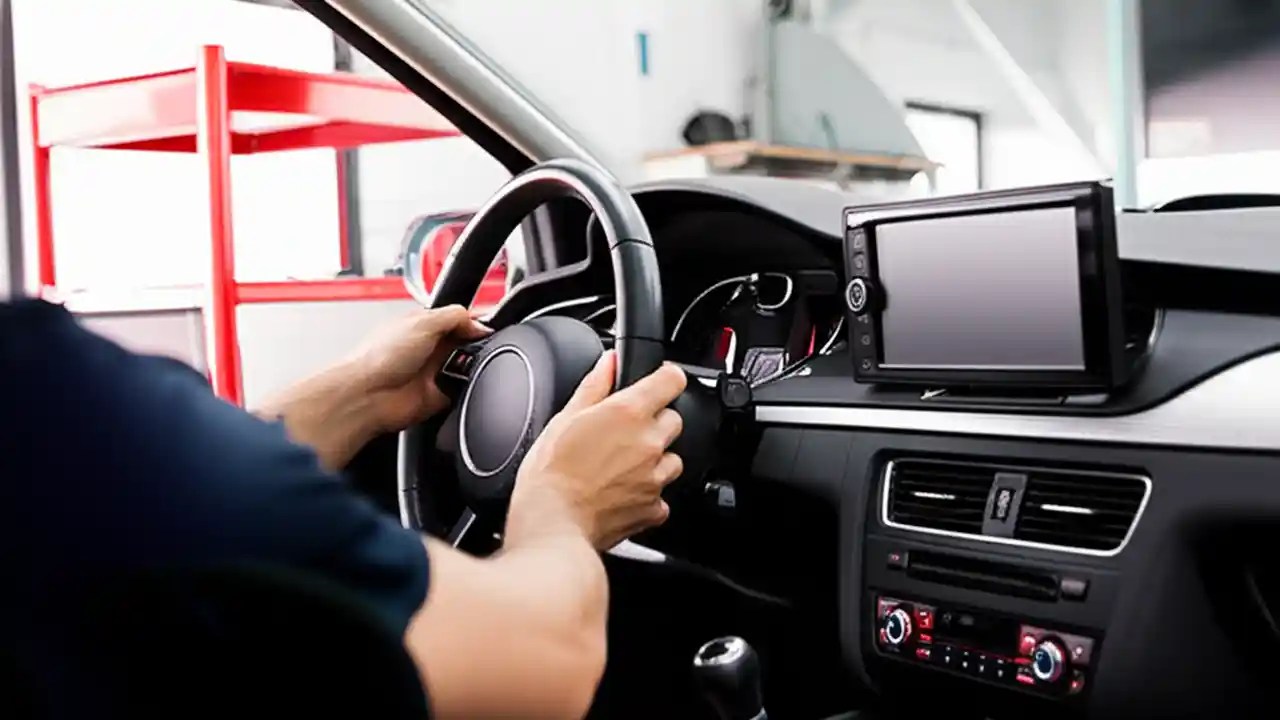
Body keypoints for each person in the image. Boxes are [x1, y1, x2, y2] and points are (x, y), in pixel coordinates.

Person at [1, 299, 687, 718]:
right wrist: (566, 503)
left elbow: (157, 504)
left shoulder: (49, 425)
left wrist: (361, 394)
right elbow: (551, 659)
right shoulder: (53, 408)